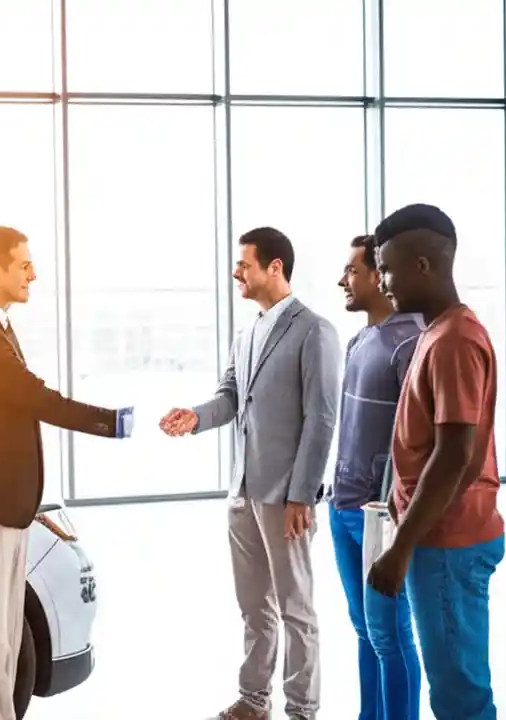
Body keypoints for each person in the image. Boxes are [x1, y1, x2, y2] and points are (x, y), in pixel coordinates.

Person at [0, 225, 133, 720]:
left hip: (3, 505)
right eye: (24, 265)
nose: (33, 274)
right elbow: (34, 396)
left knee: (3, 637)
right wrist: (109, 422)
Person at [161, 227, 340, 720]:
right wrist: (196, 417)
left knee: (295, 609)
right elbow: (231, 397)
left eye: (244, 264)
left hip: (286, 496)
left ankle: (302, 709)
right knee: (254, 606)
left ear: (274, 267)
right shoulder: (247, 334)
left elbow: (322, 417)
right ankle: (254, 700)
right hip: (243, 490)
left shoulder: (314, 330)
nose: (236, 272)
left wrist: (302, 495)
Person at [366, 204, 505, 720]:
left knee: (459, 696)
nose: (382, 282)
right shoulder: (437, 332)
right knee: (452, 685)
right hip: (439, 537)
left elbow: (454, 457)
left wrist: (400, 548)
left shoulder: (454, 341)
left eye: (387, 269)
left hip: (448, 543)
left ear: (422, 265)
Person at [331, 234, 424, 720]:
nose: (342, 280)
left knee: (390, 634)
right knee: (365, 630)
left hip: (379, 514)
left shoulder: (411, 342)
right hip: (341, 506)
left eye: (352, 270)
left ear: (379, 275)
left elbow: (421, 439)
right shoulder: (359, 340)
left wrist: (393, 510)